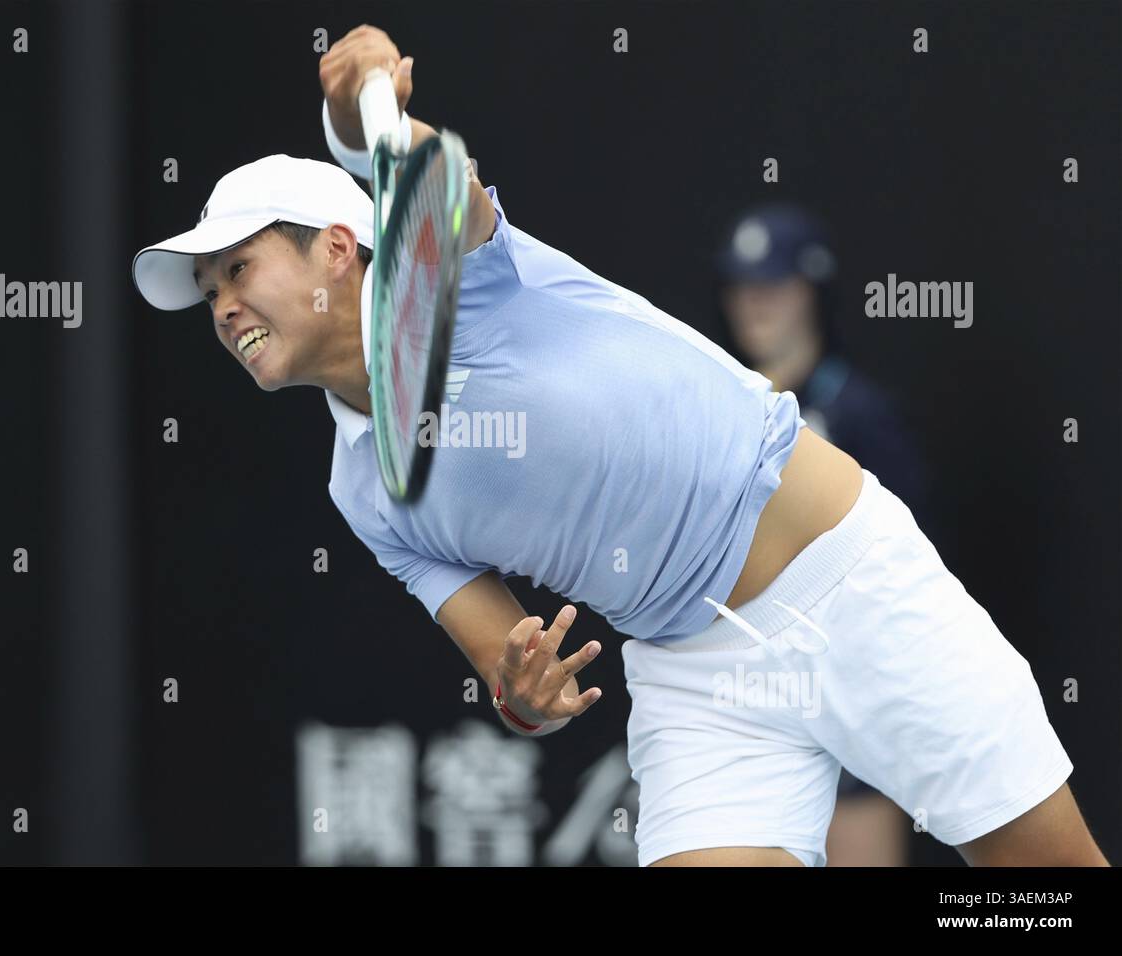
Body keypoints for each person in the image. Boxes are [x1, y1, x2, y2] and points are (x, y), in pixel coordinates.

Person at [130, 25, 1108, 868]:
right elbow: (503, 661)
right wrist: (523, 693)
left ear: (338, 250)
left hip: (847, 583)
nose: (221, 304)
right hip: (697, 673)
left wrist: (359, 113)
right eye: (206, 289)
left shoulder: (444, 267)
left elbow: (419, 168)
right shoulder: (360, 487)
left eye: (238, 268)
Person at [715, 203, 929, 866]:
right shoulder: (718, 408)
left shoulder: (858, 413)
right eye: (743, 287)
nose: (755, 304)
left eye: (774, 286)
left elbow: (911, 567)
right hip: (742, 702)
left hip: (845, 698)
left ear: (813, 290)